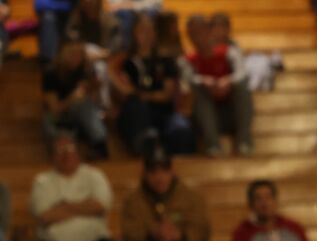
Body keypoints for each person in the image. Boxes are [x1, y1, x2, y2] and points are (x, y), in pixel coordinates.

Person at [32, 130, 120, 241]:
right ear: (53, 156)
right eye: (60, 151)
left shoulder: (94, 175)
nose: (66, 155)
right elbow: (45, 216)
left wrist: (64, 206)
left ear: (78, 152)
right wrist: (85, 206)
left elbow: (100, 206)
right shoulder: (42, 181)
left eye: (70, 149)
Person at [111, 14, 193, 156]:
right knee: (138, 110)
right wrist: (147, 95)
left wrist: (144, 95)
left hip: (164, 112)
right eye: (142, 30)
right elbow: (124, 91)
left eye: (150, 30)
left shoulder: (166, 60)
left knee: (181, 129)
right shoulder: (124, 62)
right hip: (135, 115)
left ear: (155, 33)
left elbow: (167, 94)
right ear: (134, 33)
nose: (147, 35)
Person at [181, 12, 252, 157]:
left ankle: (244, 142)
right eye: (193, 33)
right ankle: (212, 145)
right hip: (204, 117)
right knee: (196, 88)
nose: (197, 37)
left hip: (231, 111)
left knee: (241, 85)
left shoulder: (228, 52)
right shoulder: (187, 60)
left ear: (208, 31)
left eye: (200, 31)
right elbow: (186, 81)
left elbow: (242, 74)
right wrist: (205, 82)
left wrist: (227, 81)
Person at [41, 40, 108, 157]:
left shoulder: (86, 70)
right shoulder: (51, 73)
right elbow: (54, 109)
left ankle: (99, 143)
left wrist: (94, 86)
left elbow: (94, 95)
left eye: (79, 54)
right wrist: (72, 98)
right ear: (62, 53)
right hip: (60, 116)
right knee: (51, 121)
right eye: (71, 53)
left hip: (84, 113)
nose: (75, 58)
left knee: (85, 104)